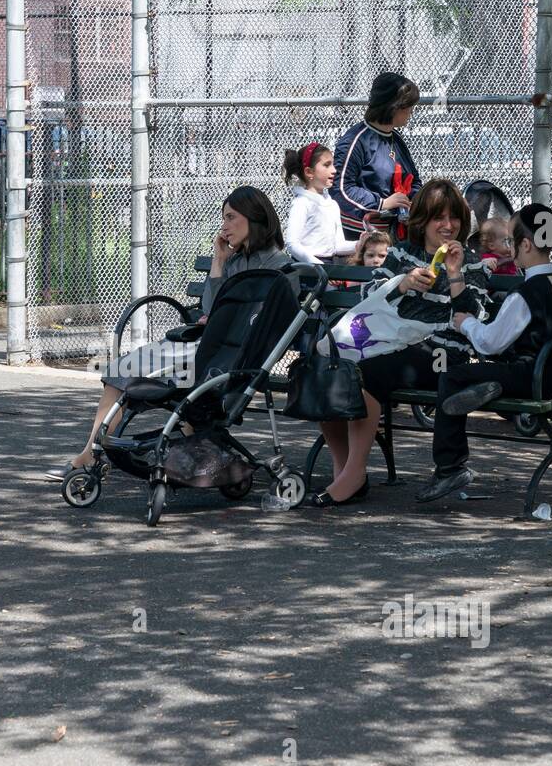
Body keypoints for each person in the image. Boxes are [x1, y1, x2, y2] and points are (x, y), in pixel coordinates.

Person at [46, 186, 291, 481]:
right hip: (203, 344)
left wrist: (219, 320)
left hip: (228, 358)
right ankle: (92, 453)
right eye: (223, 217)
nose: (223, 225)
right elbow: (211, 307)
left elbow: (261, 324)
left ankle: (193, 456)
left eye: (230, 217)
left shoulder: (280, 267)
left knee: (141, 373)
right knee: (119, 371)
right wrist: (219, 261)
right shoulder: (236, 261)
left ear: (254, 217)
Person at [303, 180, 487, 508]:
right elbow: (365, 295)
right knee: (330, 370)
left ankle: (355, 474)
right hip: (393, 342)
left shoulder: (469, 260)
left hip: (443, 352)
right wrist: (401, 284)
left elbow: (475, 319)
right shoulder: (404, 253)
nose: (448, 225)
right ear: (422, 221)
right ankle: (343, 470)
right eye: (438, 218)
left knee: (368, 375)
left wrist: (456, 275)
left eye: (453, 217)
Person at [415, 203, 552, 503]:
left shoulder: (525, 294)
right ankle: (496, 395)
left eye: (511, 241)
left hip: (531, 379)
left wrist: (465, 323)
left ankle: (449, 467)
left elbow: (488, 343)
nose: (509, 247)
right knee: (492, 370)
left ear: (525, 244)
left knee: (453, 377)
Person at [330, 72, 422, 239]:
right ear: (392, 107)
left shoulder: (397, 139)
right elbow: (341, 189)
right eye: (407, 107)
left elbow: (414, 180)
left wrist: (416, 203)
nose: (410, 112)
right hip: (363, 237)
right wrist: (382, 204)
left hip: (395, 233)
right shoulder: (356, 140)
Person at [282, 142, 361, 264]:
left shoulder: (332, 204)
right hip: (307, 271)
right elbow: (292, 244)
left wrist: (361, 244)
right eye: (327, 165)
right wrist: (318, 266)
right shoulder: (301, 203)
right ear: (309, 172)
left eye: (333, 164)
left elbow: (337, 246)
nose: (334, 170)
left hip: (328, 267)